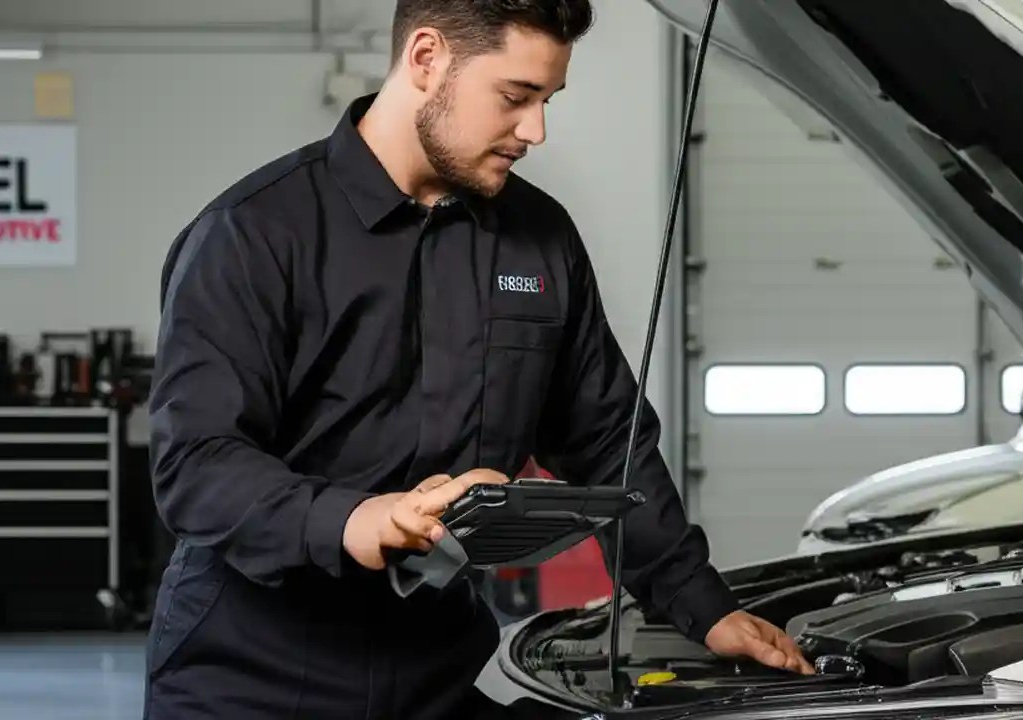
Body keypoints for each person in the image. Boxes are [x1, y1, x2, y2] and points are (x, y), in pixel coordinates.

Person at [144, 1, 813, 718]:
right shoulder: (252, 237)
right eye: (516, 96)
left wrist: (701, 606)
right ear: (427, 58)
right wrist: (356, 518)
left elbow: (607, 438)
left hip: (433, 674)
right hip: (250, 680)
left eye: (547, 100)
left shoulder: (539, 239)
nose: (536, 130)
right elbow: (197, 463)